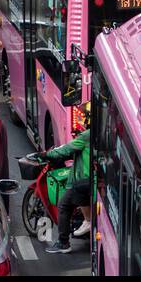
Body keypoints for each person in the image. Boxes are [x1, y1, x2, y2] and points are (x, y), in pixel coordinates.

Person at [43, 105, 92, 254]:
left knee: (63, 205)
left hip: (83, 179)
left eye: (84, 117)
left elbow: (66, 149)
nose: (82, 119)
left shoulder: (86, 136)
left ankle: (64, 242)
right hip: (92, 178)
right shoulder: (97, 133)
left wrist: (46, 154)